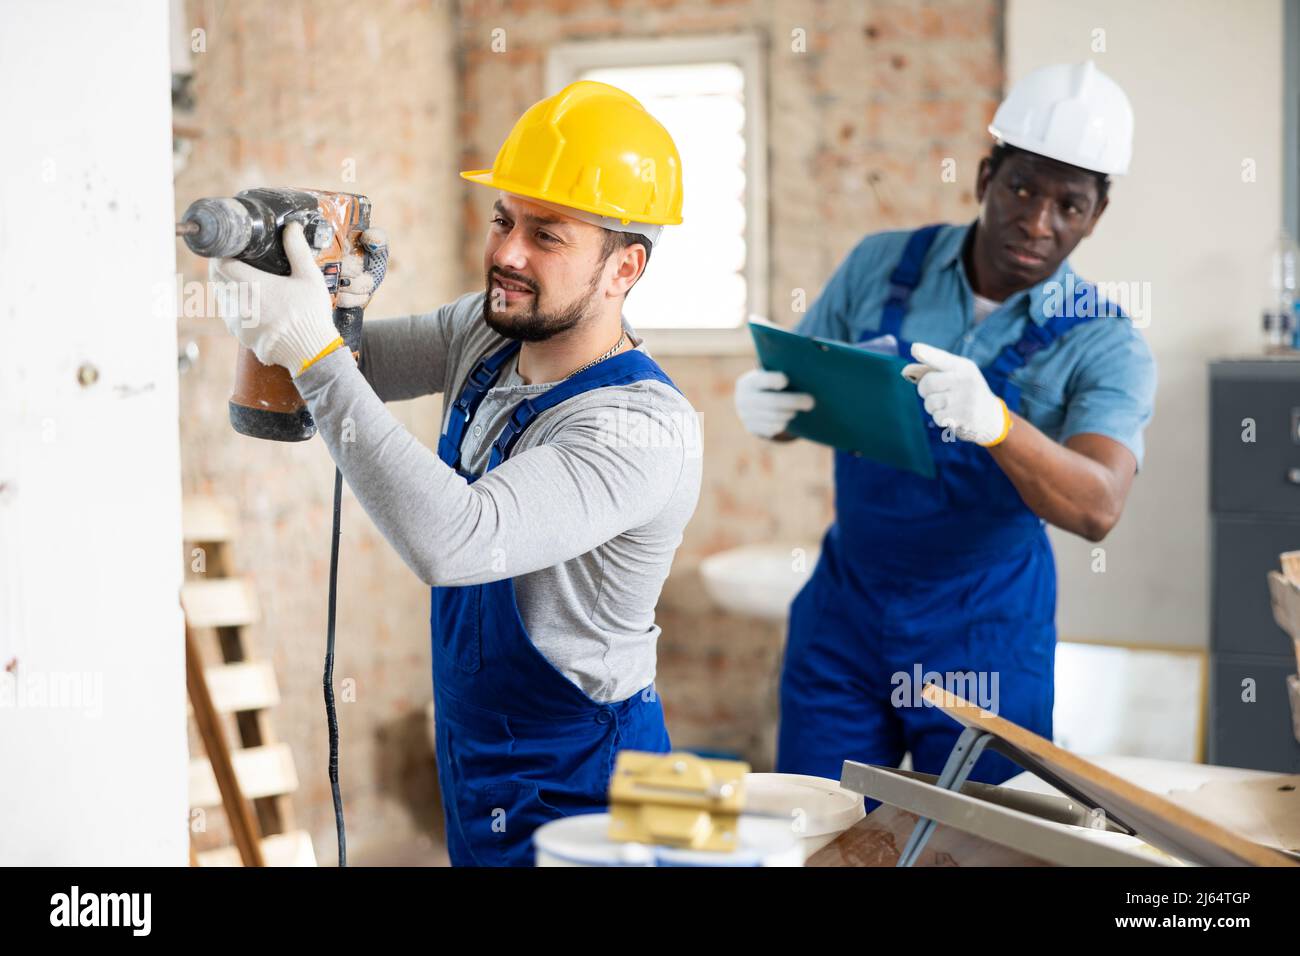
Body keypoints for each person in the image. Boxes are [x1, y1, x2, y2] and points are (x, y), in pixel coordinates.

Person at [214, 81, 701, 866]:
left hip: (594, 783)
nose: (507, 252)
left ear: (623, 268)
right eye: (504, 219)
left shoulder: (642, 429)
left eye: (548, 236)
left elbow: (460, 539)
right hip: (480, 758)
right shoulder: (486, 330)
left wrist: (313, 349)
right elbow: (352, 369)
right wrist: (303, 309)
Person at [734, 62, 1156, 786]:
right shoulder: (880, 264)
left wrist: (998, 423)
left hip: (984, 632)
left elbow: (1098, 507)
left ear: (1096, 215)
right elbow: (802, 391)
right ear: (985, 176)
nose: (1037, 222)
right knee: (818, 825)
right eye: (1022, 188)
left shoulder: (1106, 342)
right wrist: (768, 409)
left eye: (1069, 205)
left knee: (978, 848)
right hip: (845, 612)